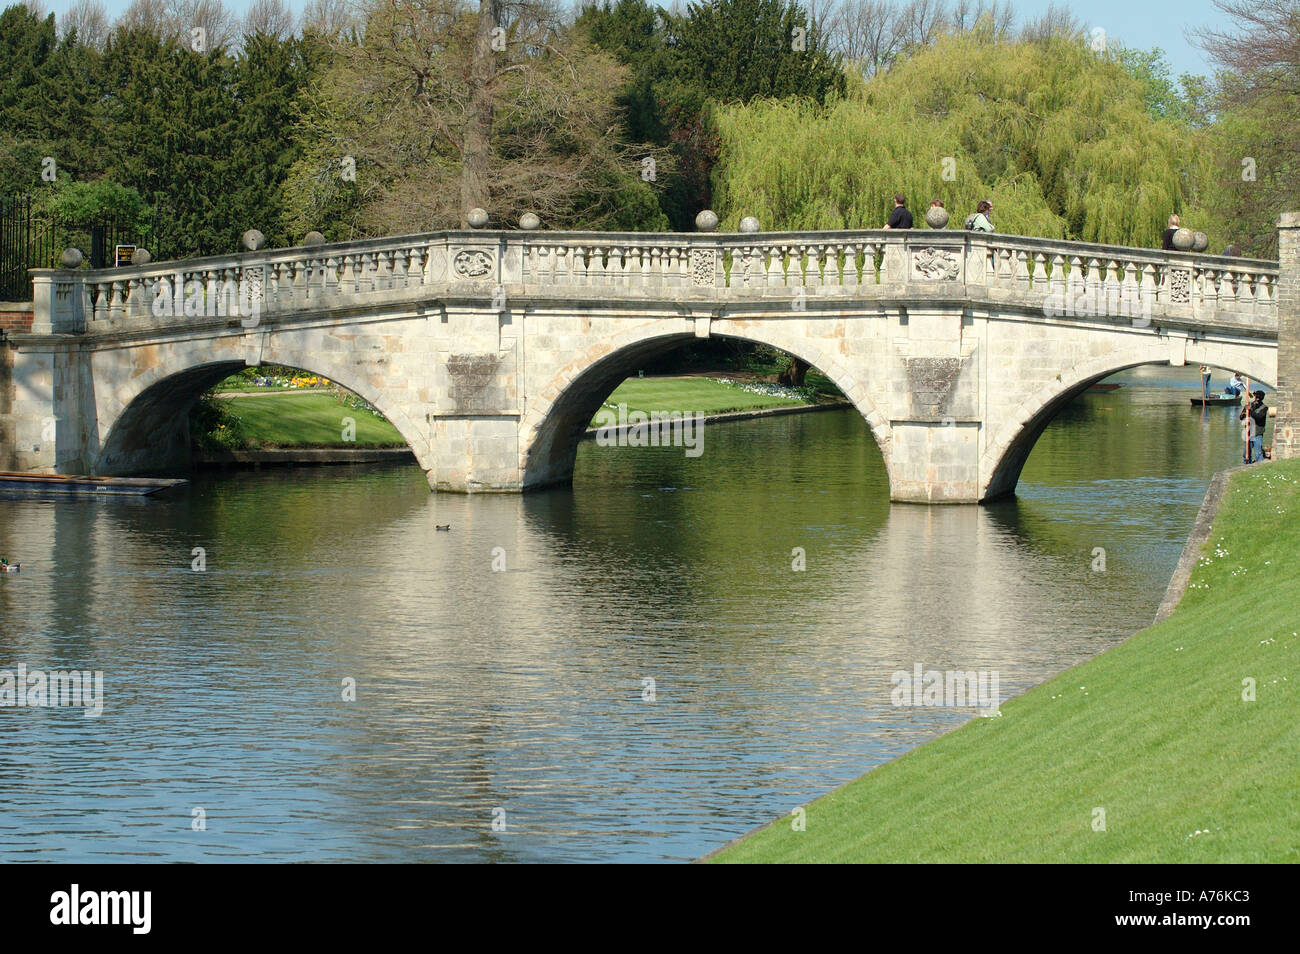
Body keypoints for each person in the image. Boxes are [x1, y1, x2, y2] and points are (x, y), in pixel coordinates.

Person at [1239, 390, 1268, 463]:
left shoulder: (1264, 408)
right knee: (1246, 453)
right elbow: (1241, 417)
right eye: (1256, 397)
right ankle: (1246, 466)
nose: (1257, 399)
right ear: (1255, 397)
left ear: (1261, 399)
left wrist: (1250, 411)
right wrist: (1243, 414)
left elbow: (1258, 417)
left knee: (1258, 453)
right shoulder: (1249, 405)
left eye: (1259, 398)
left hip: (1257, 433)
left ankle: (1259, 466)